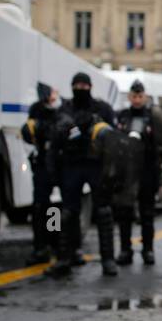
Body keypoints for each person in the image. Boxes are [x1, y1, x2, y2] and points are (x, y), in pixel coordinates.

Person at [45, 72, 117, 278]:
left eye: (84, 85)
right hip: (71, 165)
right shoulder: (65, 110)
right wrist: (53, 171)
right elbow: (55, 141)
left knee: (103, 212)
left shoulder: (101, 109)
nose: (81, 88)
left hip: (95, 165)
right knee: (63, 214)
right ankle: (62, 257)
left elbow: (113, 140)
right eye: (77, 85)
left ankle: (108, 260)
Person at [114, 80, 162, 266]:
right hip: (127, 173)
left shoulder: (152, 117)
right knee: (124, 213)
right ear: (129, 97)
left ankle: (148, 249)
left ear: (145, 96)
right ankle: (125, 249)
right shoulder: (122, 116)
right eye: (134, 96)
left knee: (147, 214)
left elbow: (160, 145)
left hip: (146, 170)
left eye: (140, 96)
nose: (137, 100)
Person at [21, 82, 60, 264]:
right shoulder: (36, 111)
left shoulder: (60, 111)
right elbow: (30, 134)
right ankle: (40, 247)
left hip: (57, 164)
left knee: (53, 208)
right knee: (40, 208)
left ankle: (55, 244)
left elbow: (71, 133)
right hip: (43, 163)